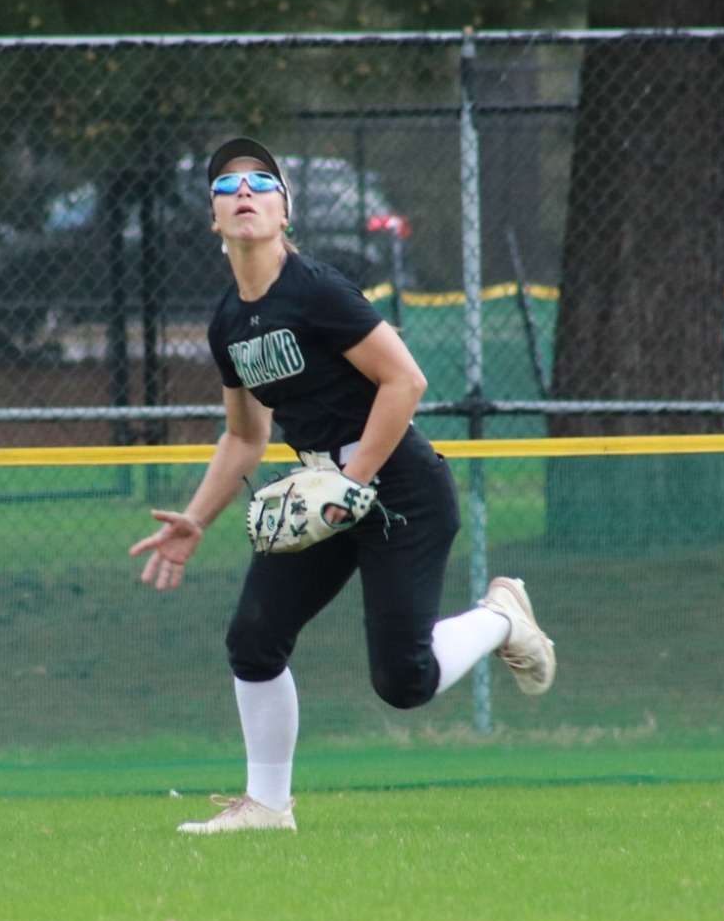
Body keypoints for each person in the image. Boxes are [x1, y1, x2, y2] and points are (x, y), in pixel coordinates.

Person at [128, 137, 556, 835]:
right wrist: (197, 520)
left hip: (402, 492)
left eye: (263, 181)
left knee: (404, 681)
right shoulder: (229, 322)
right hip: (325, 488)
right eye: (227, 184)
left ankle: (503, 614)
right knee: (254, 636)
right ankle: (268, 806)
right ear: (212, 218)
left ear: (285, 210)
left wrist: (353, 484)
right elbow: (245, 434)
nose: (244, 190)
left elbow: (405, 380)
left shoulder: (316, 288)